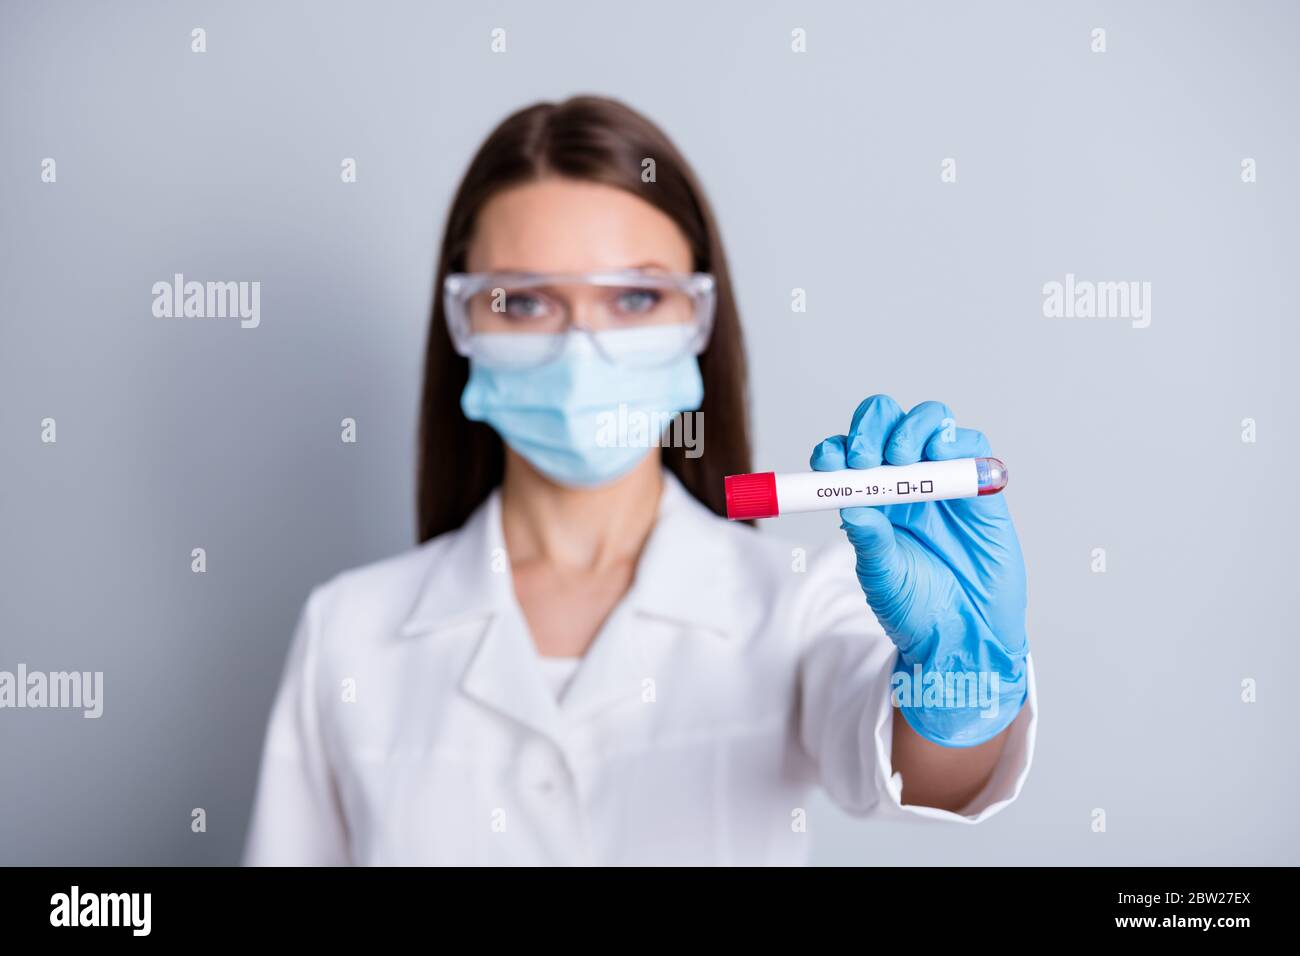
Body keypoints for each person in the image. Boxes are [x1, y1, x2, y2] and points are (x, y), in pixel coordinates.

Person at [243, 95, 1037, 866]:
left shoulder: (795, 605)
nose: (581, 346)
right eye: (521, 301)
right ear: (463, 326)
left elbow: (926, 779)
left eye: (633, 296)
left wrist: (960, 676)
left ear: (699, 320)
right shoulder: (348, 632)